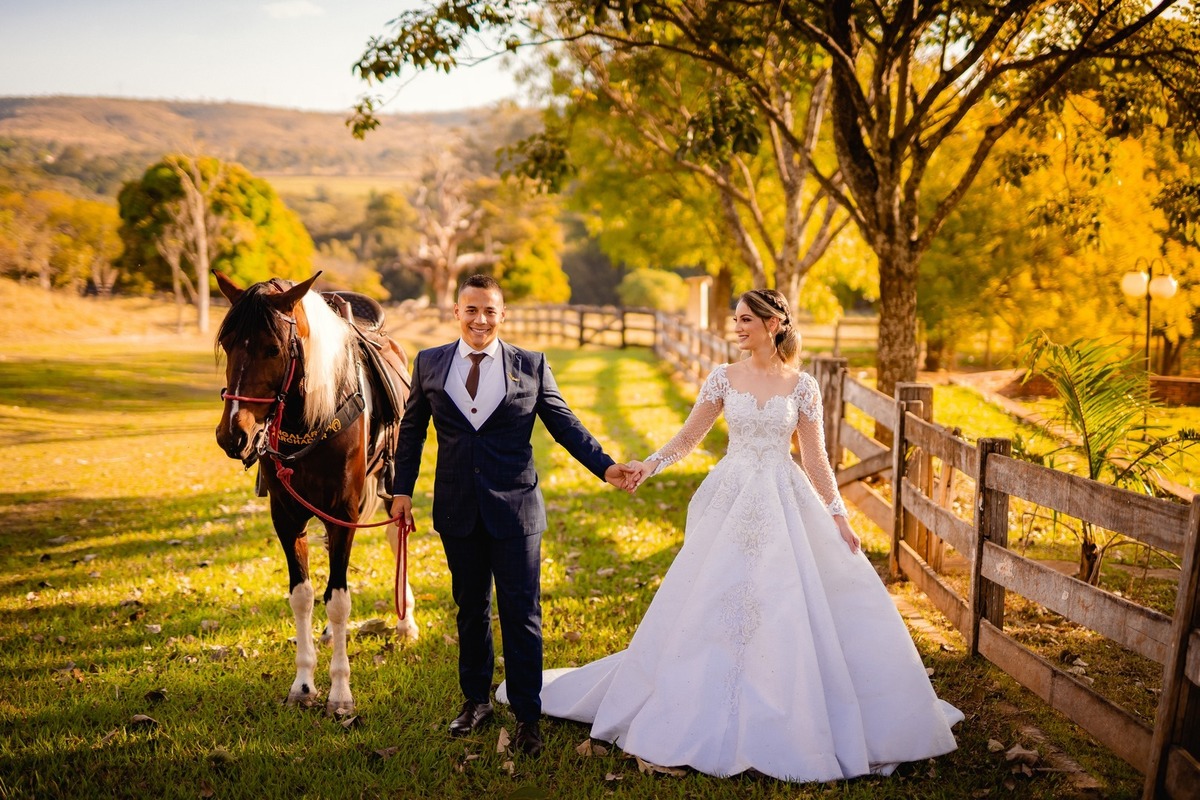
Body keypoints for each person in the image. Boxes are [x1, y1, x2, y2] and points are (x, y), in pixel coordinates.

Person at [499, 288, 963, 781]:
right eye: (735, 319)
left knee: (782, 597)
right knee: (720, 596)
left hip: (785, 497)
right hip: (733, 496)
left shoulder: (803, 386)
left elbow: (816, 458)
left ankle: (784, 708)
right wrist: (647, 466)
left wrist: (837, 513)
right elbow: (688, 437)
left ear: (774, 324)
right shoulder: (723, 378)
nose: (737, 327)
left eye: (746, 319)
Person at [388, 274, 636, 757]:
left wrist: (606, 467)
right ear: (456, 312)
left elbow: (565, 425)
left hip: (517, 510)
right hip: (458, 508)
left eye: (490, 311)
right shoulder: (429, 363)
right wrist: (401, 490)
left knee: (522, 615)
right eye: (471, 310)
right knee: (471, 609)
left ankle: (527, 715)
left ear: (503, 315)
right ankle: (476, 701)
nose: (480, 319)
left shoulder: (532, 365)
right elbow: (413, 431)